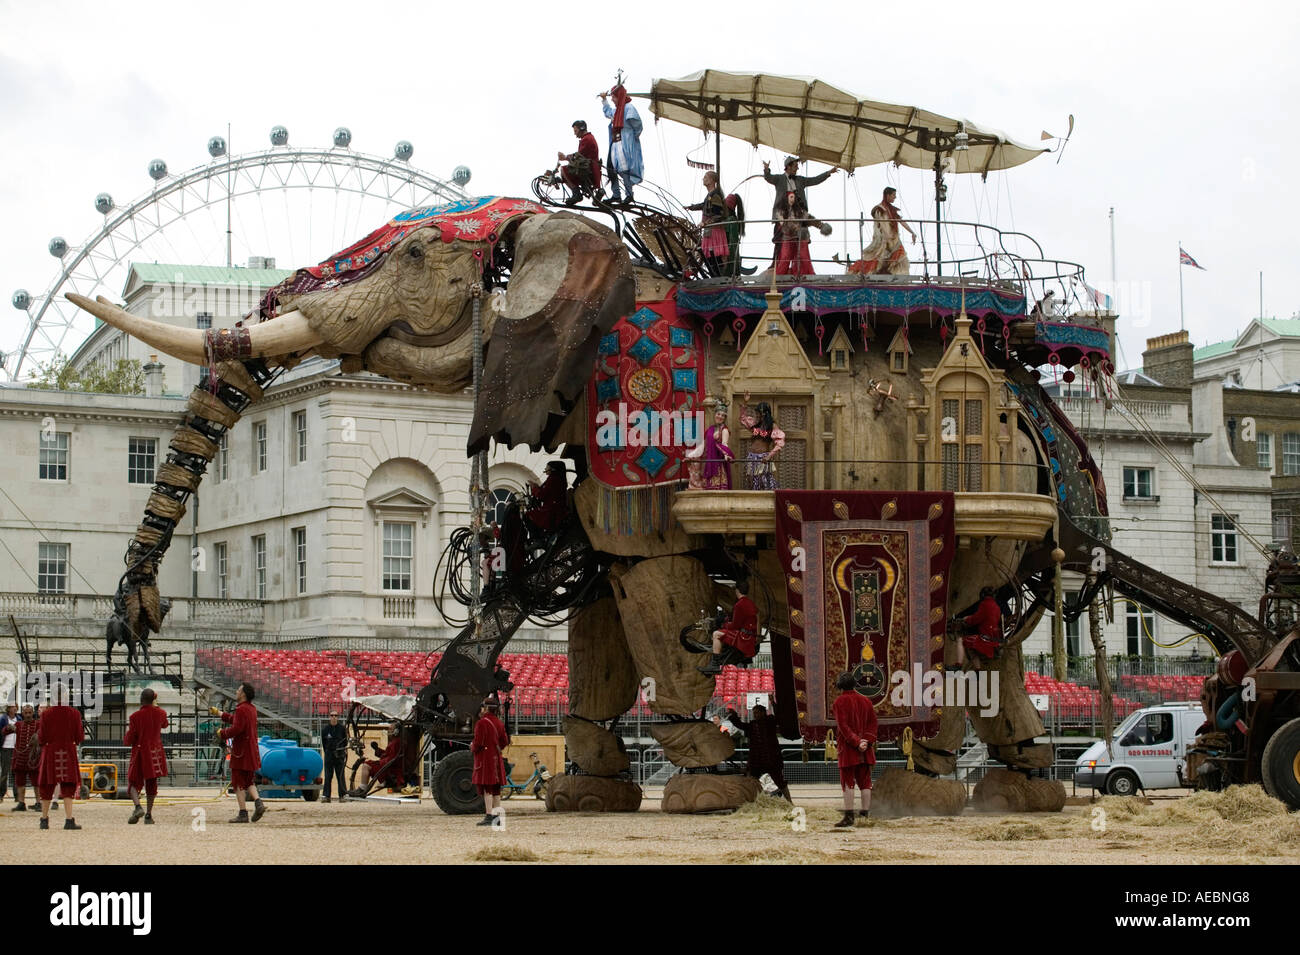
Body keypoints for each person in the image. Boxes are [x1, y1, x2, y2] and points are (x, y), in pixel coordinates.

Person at [763, 156, 837, 267]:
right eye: (795, 166)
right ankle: (777, 266)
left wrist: (828, 173)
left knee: (801, 243)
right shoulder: (779, 179)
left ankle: (797, 268)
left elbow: (814, 180)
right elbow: (768, 178)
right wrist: (766, 169)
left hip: (799, 216)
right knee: (780, 242)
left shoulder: (800, 180)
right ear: (788, 167)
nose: (797, 169)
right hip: (783, 216)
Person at [831, 671, 877, 827]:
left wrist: (856, 742)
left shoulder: (839, 702)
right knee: (865, 782)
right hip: (865, 748)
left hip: (849, 749)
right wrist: (866, 741)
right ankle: (865, 814)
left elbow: (843, 727)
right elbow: (873, 724)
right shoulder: (866, 701)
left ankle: (849, 816)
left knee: (847, 782)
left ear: (840, 686)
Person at [214, 683, 265, 823]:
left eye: (238, 690)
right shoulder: (251, 709)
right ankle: (258, 802)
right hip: (251, 750)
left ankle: (243, 813)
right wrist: (219, 714)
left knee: (237, 782)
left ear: (243, 694)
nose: (236, 692)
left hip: (241, 751)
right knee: (249, 780)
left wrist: (222, 733)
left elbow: (237, 727)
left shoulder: (241, 709)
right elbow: (236, 720)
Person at [37, 684, 83, 830]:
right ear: (65, 696)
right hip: (68, 751)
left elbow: (41, 738)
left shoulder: (46, 714)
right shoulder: (75, 714)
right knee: (68, 785)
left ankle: (44, 820)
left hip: (50, 752)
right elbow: (79, 736)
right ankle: (69, 820)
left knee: (46, 785)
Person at [727, 703, 791, 801]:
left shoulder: (771, 721)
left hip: (771, 758)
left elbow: (779, 717)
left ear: (763, 713)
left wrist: (774, 704)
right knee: (752, 781)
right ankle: (753, 801)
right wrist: (734, 716)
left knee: (780, 782)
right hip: (757, 759)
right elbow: (741, 725)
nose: (755, 715)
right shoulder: (752, 725)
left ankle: (790, 802)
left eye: (757, 712)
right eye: (754, 713)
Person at [124, 688, 168, 824]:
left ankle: (137, 807)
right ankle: (148, 815)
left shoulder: (135, 717)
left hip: (140, 752)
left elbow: (130, 738)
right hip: (155, 752)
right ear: (154, 699)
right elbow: (165, 724)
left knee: (133, 782)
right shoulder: (161, 713)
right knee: (151, 783)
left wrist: (127, 738)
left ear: (141, 699)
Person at [848, 187, 916, 276]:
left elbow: (901, 221)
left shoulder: (892, 210)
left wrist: (912, 232)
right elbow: (882, 226)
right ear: (887, 195)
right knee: (879, 260)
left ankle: (897, 280)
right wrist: (887, 239)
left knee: (899, 260)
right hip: (884, 240)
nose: (895, 197)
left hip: (893, 240)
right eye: (893, 195)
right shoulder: (880, 209)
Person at [699, 579, 759, 675]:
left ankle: (715, 664)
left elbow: (735, 625)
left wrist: (723, 624)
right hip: (749, 636)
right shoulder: (750, 603)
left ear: (737, 590)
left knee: (716, 634)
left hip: (743, 637)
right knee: (722, 632)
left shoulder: (739, 605)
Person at [600, 84, 643, 203]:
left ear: (619, 96)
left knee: (625, 169)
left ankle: (629, 194)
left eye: (613, 97)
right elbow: (608, 112)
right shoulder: (617, 110)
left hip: (625, 143)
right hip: (615, 143)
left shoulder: (629, 108)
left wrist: (630, 139)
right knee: (611, 168)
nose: (612, 100)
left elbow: (638, 126)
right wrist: (604, 100)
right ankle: (616, 194)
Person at [774, 191, 831, 278]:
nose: (793, 199)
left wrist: (821, 226)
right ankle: (779, 277)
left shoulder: (799, 211)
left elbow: (810, 219)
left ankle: (808, 276)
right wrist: (797, 230)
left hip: (800, 237)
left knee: (804, 257)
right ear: (787, 198)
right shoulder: (781, 211)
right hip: (788, 237)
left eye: (794, 197)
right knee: (785, 257)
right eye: (791, 197)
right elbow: (784, 224)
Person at [471, 701, 510, 826]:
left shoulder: (482, 723)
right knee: (496, 789)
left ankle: (489, 816)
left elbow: (478, 743)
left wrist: (472, 747)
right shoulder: (499, 722)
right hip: (496, 757)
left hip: (485, 758)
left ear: (486, 708)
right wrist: (496, 748)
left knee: (487, 787)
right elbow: (505, 741)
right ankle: (497, 817)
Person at [685, 171, 730, 272]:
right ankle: (715, 274)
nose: (703, 179)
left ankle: (717, 275)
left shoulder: (715, 195)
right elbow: (704, 205)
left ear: (711, 180)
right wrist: (691, 207)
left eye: (705, 177)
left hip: (714, 231)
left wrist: (705, 223)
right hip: (710, 230)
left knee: (714, 255)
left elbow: (718, 214)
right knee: (710, 256)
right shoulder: (711, 195)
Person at [738, 393, 785, 490]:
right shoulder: (755, 424)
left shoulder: (772, 426)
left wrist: (769, 456)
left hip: (763, 457)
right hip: (752, 457)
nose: (757, 415)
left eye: (759, 413)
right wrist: (745, 402)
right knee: (751, 480)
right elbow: (742, 418)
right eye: (757, 413)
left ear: (765, 414)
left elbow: (780, 443)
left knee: (764, 481)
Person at [685, 403, 734, 490]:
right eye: (718, 414)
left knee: (718, 490)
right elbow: (703, 445)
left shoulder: (724, 430)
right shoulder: (710, 429)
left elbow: (724, 444)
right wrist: (690, 456)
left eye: (723, 415)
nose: (720, 416)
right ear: (715, 414)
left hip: (718, 464)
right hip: (708, 463)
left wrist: (726, 454)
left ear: (725, 418)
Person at [956, 586, 1003, 669]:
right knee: (971, 648)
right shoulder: (997, 607)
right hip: (993, 640)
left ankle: (958, 665)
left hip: (985, 640)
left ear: (982, 595)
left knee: (961, 640)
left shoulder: (985, 604)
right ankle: (978, 672)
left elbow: (976, 619)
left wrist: (966, 619)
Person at [558, 120, 601, 206]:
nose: (575, 134)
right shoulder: (589, 138)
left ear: (582, 129)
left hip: (588, 170)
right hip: (590, 168)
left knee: (563, 170)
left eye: (576, 131)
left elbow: (579, 157)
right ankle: (576, 192)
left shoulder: (587, 139)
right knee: (566, 171)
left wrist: (565, 157)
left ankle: (576, 194)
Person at [351, 724, 404, 794]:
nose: (388, 731)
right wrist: (377, 749)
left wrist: (380, 762)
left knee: (366, 765)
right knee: (368, 763)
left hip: (390, 769)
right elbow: (387, 754)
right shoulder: (395, 741)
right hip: (387, 766)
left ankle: (362, 789)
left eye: (391, 729)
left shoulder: (396, 742)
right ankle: (363, 788)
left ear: (396, 731)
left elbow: (392, 758)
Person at [526, 461, 569, 532]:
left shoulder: (553, 479)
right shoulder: (556, 478)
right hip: (554, 508)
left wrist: (534, 488)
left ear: (552, 469)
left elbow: (542, 495)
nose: (545, 469)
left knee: (528, 515)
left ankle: (538, 538)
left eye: (547, 467)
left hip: (551, 510)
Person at [11, 704, 37, 810]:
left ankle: (39, 802)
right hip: (20, 758)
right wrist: (9, 728)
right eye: (26, 713)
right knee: (20, 781)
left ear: (33, 713)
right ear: (22, 714)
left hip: (34, 758)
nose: (28, 715)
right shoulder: (18, 724)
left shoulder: (38, 724)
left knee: (36, 782)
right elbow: (4, 731)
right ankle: (21, 802)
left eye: (30, 713)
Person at [321, 710, 348, 803]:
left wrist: (342, 752)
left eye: (336, 715)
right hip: (329, 755)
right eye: (332, 715)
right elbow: (324, 743)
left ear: (338, 717)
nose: (334, 717)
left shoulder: (342, 729)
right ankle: (326, 796)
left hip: (339, 755)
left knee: (340, 775)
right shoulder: (325, 729)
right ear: (329, 717)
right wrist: (328, 752)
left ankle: (342, 796)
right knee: (328, 776)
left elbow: (345, 742)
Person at [0, 702, 16, 801]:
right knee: (5, 772)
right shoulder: (3, 719)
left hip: (16, 748)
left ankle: (17, 795)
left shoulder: (18, 718)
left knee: (16, 772)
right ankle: (1, 793)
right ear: (8, 709)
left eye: (15, 707)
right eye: (13, 707)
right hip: (6, 747)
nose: (15, 709)